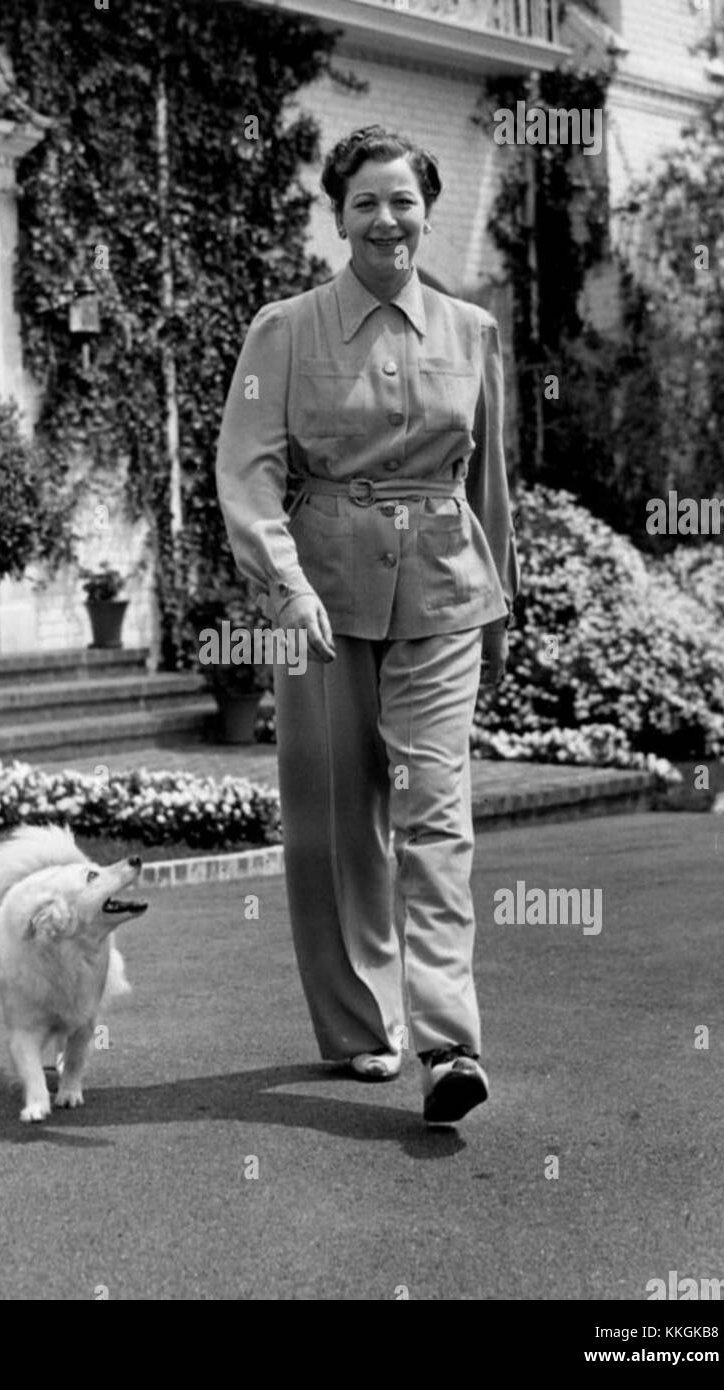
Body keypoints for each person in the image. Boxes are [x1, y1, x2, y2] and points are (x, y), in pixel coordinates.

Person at [215, 125, 519, 1124]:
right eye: (365, 203)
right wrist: (286, 587)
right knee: (339, 820)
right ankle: (359, 1026)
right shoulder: (285, 330)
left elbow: (493, 486)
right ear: (337, 217)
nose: (386, 218)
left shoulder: (472, 333)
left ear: (426, 209)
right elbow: (249, 469)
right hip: (323, 599)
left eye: (402, 200)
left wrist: (500, 603)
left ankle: (447, 1044)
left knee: (438, 815)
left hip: (440, 591)